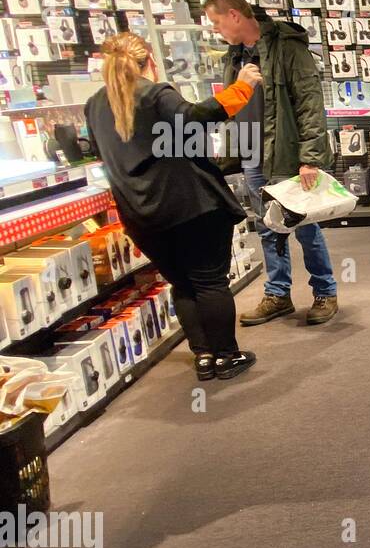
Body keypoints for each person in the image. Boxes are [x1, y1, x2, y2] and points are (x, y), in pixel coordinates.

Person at [85, 33, 260, 381]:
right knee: (210, 283)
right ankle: (226, 356)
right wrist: (241, 88)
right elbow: (194, 118)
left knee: (183, 284)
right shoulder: (155, 94)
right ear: (148, 61)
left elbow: (97, 153)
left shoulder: (94, 106)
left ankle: (205, 357)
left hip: (142, 217)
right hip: (192, 206)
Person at [201, 0, 339, 327]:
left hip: (287, 156)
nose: (216, 31)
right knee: (267, 228)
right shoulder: (233, 57)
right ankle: (278, 295)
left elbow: (310, 103)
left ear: (235, 15)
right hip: (253, 155)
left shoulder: (288, 48)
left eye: (217, 23)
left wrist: (310, 158)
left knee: (305, 227)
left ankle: (325, 292)